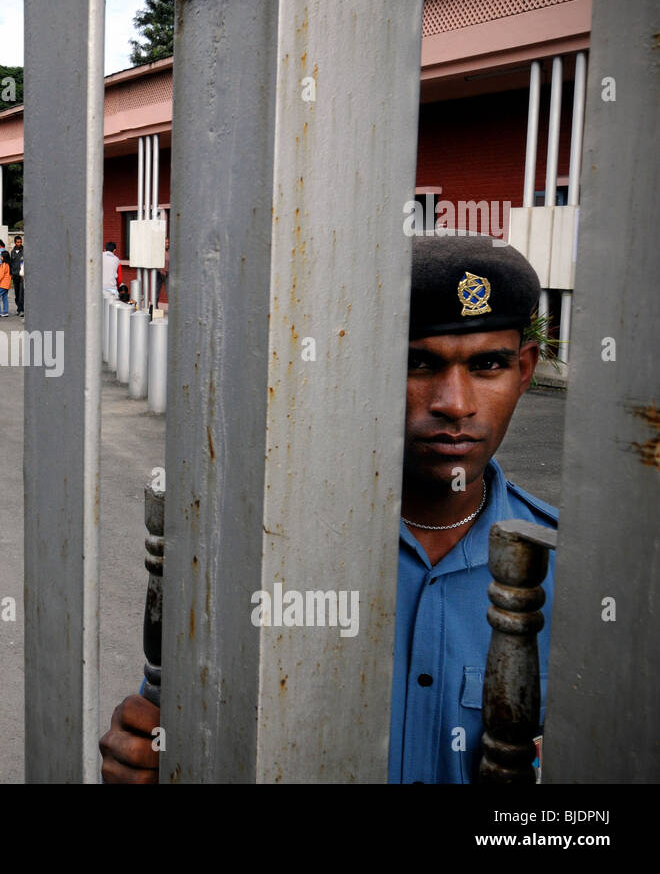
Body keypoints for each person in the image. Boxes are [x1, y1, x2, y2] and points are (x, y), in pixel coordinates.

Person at [99, 234, 555, 785]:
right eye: (417, 363)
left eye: (488, 364)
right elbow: (174, 730)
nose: (455, 404)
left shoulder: (566, 568)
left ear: (525, 369)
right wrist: (145, 759)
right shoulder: (272, 555)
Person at [0, 250, 12, 317]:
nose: (0, 257)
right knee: (5, 298)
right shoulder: (8, 264)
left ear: (3, 257)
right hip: (7, 284)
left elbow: (0, 276)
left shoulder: (3, 265)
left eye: (1, 256)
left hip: (2, 284)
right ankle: (5, 312)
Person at [10, 235, 25, 316]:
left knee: (21, 293)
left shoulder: (24, 251)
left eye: (20, 242)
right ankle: (19, 309)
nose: (19, 243)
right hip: (14, 275)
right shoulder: (12, 252)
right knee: (16, 293)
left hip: (22, 276)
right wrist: (11, 273)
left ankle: (21, 310)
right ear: (15, 242)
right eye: (18, 242)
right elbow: (11, 264)